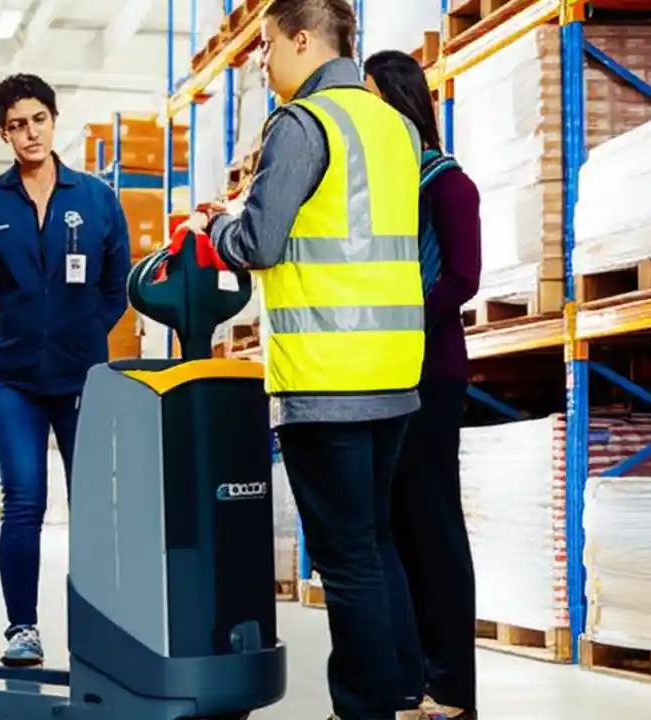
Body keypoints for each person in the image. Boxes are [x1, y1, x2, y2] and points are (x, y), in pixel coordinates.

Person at [189, 1, 427, 718]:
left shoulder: (303, 124)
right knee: (379, 544)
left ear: (302, 39)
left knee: (347, 559)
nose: (261, 61)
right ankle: (401, 693)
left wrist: (215, 227)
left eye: (266, 45)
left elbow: (260, 243)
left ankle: (363, 709)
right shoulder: (398, 126)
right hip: (393, 372)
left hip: (327, 377)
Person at [0, 73, 132, 667]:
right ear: (3, 133)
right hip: (12, 378)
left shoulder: (96, 197)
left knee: (91, 505)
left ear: (54, 121)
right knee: (25, 500)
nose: (29, 133)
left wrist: (82, 335)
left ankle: (100, 625)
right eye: (15, 125)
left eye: (37, 120)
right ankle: (22, 629)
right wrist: (11, 332)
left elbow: (116, 285)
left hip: (82, 376)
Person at [365, 50, 482, 720]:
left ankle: (454, 687)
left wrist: (404, 320)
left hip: (431, 374)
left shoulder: (447, 184)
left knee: (434, 529)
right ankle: (415, 683)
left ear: (404, 102)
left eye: (376, 99)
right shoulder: (385, 185)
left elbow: (462, 279)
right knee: (400, 528)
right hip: (382, 371)